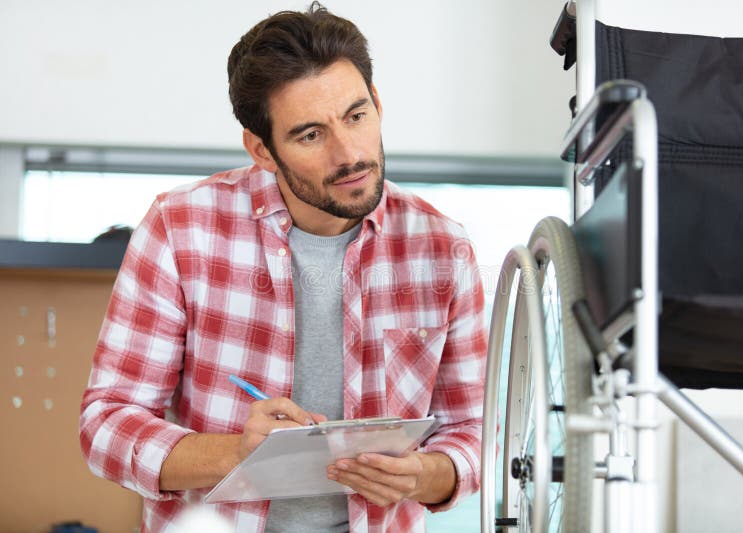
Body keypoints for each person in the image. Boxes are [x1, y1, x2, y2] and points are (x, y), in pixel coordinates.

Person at [79, 3, 487, 532]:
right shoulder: (181, 228)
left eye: (357, 116)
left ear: (377, 103)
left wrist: (423, 476)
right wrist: (237, 453)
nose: (349, 154)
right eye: (310, 135)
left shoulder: (443, 249)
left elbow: (474, 432)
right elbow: (105, 424)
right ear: (262, 150)